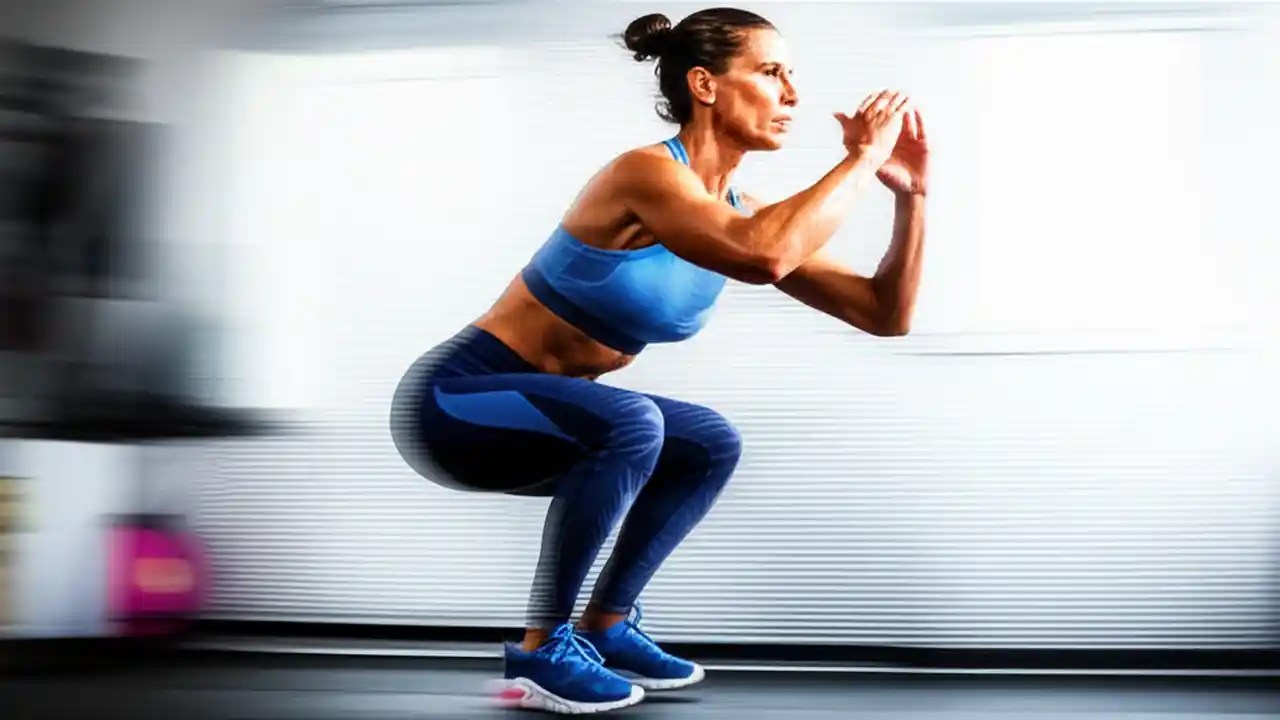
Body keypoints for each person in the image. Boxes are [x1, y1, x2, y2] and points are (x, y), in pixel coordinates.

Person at [390, 7, 928, 715]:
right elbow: (764, 254)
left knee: (707, 442)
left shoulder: (738, 208)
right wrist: (858, 158)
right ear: (705, 85)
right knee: (632, 422)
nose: (792, 94)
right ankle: (540, 651)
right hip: (456, 402)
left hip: (553, 420)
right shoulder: (643, 176)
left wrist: (911, 196)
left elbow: (884, 314)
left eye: (791, 76)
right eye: (771, 73)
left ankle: (606, 627)